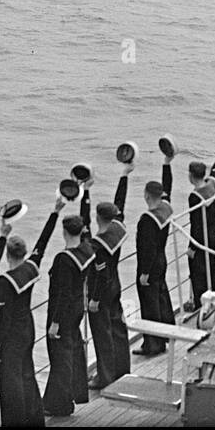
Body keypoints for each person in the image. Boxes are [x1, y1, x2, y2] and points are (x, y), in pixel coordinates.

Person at [0, 200, 61, 427]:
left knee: (11, 381)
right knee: (27, 374)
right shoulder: (31, 268)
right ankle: (34, 418)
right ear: (24, 253)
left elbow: (4, 317)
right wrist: (55, 212)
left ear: (7, 256)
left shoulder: (5, 281)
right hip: (28, 329)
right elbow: (43, 242)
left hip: (11, 334)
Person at [86, 165, 132, 390]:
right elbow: (119, 205)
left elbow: (100, 273)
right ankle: (122, 368)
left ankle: (104, 376)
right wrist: (124, 176)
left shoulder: (98, 244)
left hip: (102, 291)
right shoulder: (118, 230)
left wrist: (94, 298)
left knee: (102, 334)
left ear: (98, 218)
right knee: (118, 328)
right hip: (116, 285)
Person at [43, 214, 93, 418]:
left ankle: (60, 404)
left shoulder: (64, 259)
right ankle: (63, 398)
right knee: (70, 353)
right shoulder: (87, 251)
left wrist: (55, 322)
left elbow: (61, 293)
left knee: (60, 358)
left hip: (62, 313)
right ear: (82, 231)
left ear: (64, 232)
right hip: (77, 308)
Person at [134, 171, 175, 355]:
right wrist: (167, 165)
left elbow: (147, 248)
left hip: (150, 265)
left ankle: (152, 344)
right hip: (162, 260)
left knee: (149, 304)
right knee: (160, 299)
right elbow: (169, 190)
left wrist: (144, 272)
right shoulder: (165, 209)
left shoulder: (147, 220)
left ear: (147, 195)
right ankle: (166, 334)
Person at [186, 141, 215, 311]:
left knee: (198, 272)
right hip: (213, 233)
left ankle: (200, 303)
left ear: (191, 176)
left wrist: (192, 247)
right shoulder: (212, 185)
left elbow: (195, 224)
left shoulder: (195, 196)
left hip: (201, 237)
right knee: (211, 265)